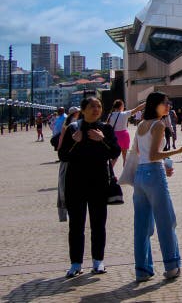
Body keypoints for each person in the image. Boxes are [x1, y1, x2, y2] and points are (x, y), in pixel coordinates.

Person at [132, 92, 182, 282]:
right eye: (165, 103)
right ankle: (172, 265)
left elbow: (138, 152)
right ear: (155, 105)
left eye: (168, 103)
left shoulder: (141, 125)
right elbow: (154, 154)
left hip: (140, 175)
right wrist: (180, 150)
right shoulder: (158, 125)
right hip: (154, 174)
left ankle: (142, 270)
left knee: (142, 225)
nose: (168, 106)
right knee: (166, 221)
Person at [58, 96, 121, 278]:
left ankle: (98, 261)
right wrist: (74, 142)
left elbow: (115, 151)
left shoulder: (106, 129)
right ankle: (76, 263)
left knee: (98, 224)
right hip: (75, 185)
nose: (96, 109)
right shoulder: (73, 129)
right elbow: (63, 155)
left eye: (99, 106)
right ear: (83, 110)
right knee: (76, 226)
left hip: (99, 183)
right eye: (92, 106)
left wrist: (102, 140)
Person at [108, 99, 145, 169]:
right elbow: (137, 109)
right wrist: (145, 103)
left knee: (114, 157)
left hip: (114, 137)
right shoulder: (124, 114)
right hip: (124, 136)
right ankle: (125, 173)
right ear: (121, 106)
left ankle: (110, 172)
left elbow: (108, 127)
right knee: (125, 156)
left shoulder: (110, 115)